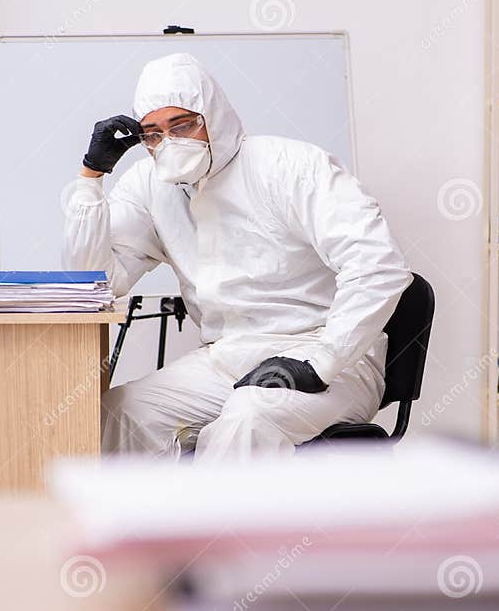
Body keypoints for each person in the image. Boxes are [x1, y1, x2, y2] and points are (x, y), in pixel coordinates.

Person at [61, 53, 412, 459]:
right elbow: (92, 285)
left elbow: (378, 265)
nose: (170, 143)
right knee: (122, 413)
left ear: (214, 115)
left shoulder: (289, 167)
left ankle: (224, 526)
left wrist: (321, 361)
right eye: (153, 134)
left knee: (248, 417)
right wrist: (91, 177)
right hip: (225, 359)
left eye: (183, 125)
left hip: (330, 359)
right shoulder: (149, 184)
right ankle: (142, 524)